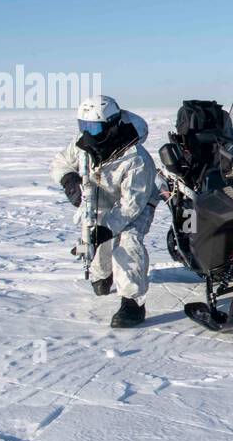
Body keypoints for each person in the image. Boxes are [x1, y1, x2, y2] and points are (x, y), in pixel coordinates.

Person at [49, 95, 157, 327]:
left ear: (111, 126)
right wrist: (69, 179)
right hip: (100, 199)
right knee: (95, 240)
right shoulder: (83, 144)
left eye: (95, 127)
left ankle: (132, 303)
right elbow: (61, 161)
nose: (88, 133)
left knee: (127, 241)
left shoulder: (136, 159)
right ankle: (102, 275)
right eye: (83, 125)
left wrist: (107, 229)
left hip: (137, 204)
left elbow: (131, 206)